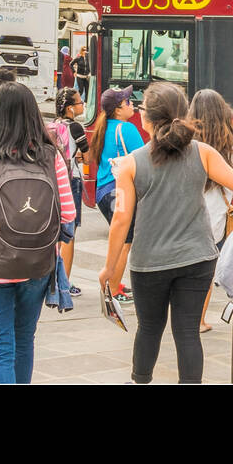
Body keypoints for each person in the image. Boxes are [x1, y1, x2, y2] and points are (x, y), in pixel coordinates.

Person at [99, 83, 233, 384]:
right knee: (186, 332)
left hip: (149, 263)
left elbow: (121, 220)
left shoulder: (131, 164)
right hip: (198, 258)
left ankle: (141, 380)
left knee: (149, 328)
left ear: (147, 120)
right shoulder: (203, 152)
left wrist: (109, 268)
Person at [0, 81, 77, 384]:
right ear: (33, 114)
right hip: (37, 266)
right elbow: (69, 215)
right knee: (25, 340)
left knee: (1, 347)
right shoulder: (50, 156)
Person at [187, 88, 233, 332]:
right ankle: (198, 320)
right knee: (205, 273)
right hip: (215, 222)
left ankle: (181, 315)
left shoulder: (186, 145)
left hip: (184, 216)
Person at [89, 86, 145, 303]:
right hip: (119, 192)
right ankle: (113, 289)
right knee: (125, 241)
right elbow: (143, 160)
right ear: (119, 108)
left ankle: (114, 283)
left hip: (103, 191)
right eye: (129, 101)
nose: (132, 104)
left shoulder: (104, 127)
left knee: (119, 240)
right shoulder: (127, 129)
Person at [50, 87, 87, 293]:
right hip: (70, 181)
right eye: (80, 102)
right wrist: (81, 157)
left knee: (54, 232)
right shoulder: (76, 128)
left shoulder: (51, 125)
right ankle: (65, 283)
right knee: (69, 235)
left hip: (52, 182)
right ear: (71, 108)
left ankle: (52, 279)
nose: (83, 105)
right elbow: (87, 157)